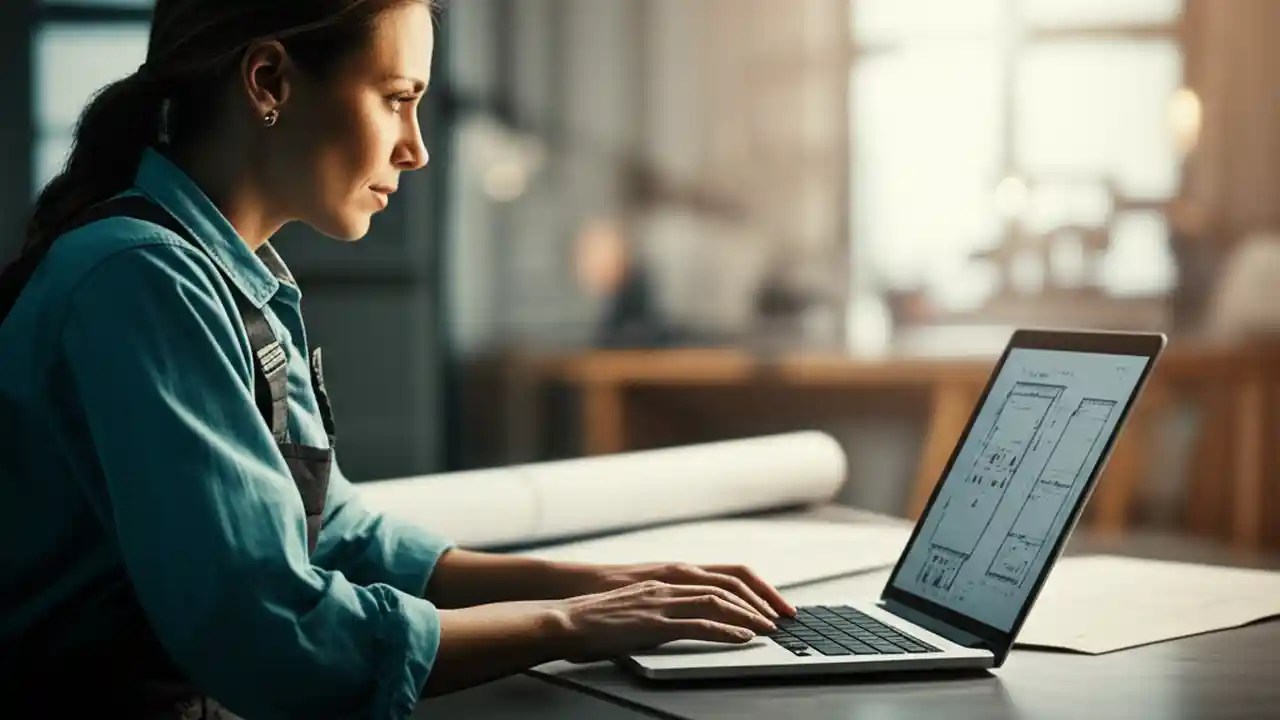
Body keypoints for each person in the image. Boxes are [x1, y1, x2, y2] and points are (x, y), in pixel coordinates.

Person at [0, 1, 794, 717]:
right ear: (270, 79)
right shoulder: (141, 278)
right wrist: (570, 625)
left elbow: (338, 535)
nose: (415, 150)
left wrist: (602, 583)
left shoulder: (231, 277)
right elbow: (272, 639)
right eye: (397, 98)